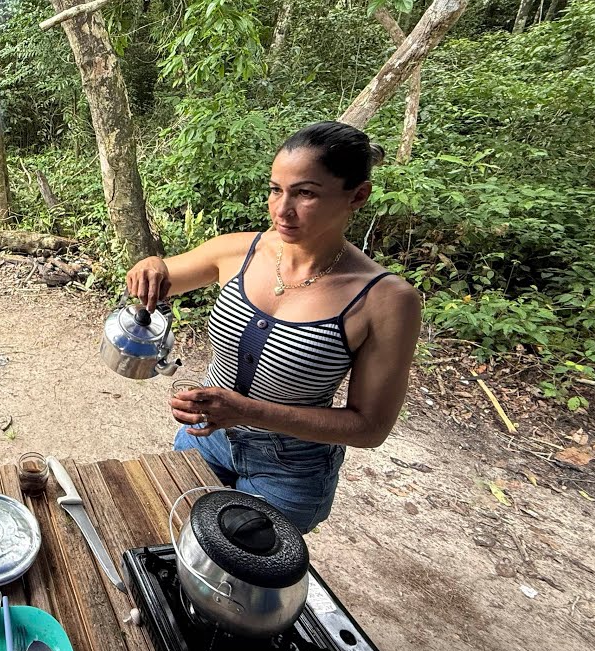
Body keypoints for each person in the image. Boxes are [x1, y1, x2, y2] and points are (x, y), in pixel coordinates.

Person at [126, 121, 422, 533]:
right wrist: (151, 265)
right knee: (178, 541)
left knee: (243, 580)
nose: (282, 210)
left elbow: (369, 427)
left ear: (358, 195)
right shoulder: (238, 251)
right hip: (203, 437)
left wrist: (247, 412)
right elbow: (161, 275)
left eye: (305, 193)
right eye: (275, 189)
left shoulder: (386, 300)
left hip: (290, 468)